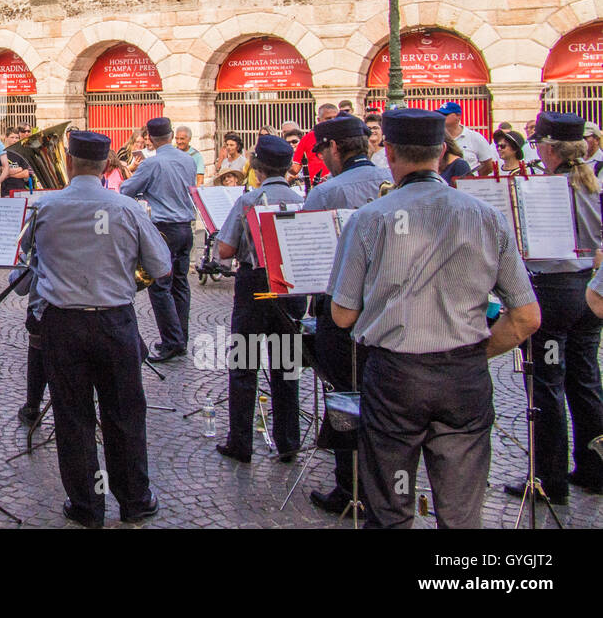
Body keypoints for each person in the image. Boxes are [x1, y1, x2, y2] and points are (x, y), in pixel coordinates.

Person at [330, 107, 541, 528]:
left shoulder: (370, 219)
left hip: (395, 378)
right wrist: (476, 352)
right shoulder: (487, 216)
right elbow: (526, 317)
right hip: (463, 374)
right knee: (461, 513)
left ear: (388, 152)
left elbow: (341, 315)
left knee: (392, 506)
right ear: (442, 151)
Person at [23, 130, 172, 527]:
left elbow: (24, 262)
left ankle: (87, 507)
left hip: (63, 323)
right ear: (108, 166)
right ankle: (135, 502)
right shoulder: (126, 208)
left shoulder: (44, 207)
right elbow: (161, 268)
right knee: (124, 413)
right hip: (114, 321)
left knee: (73, 418)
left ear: (68, 163)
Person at [502, 112, 603, 504]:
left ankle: (549, 478)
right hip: (586, 291)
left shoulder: (542, 187)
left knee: (545, 383)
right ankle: (594, 469)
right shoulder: (592, 183)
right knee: (585, 378)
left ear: (547, 148)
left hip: (553, 292)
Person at [300, 114, 391, 516]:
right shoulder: (390, 181)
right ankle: (386, 484)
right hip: (390, 310)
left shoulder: (326, 192)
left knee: (344, 394)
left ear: (334, 148)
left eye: (322, 150)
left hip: (341, 308)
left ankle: (348, 487)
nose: (322, 158)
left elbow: (304, 252)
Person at [215, 135, 306, 463]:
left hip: (255, 285)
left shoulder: (250, 200)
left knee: (244, 365)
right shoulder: (302, 200)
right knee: (285, 366)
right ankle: (288, 441)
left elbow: (225, 250)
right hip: (291, 286)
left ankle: (240, 442)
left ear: (256, 166)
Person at [121, 117, 197, 362]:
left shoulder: (152, 164)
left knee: (160, 285)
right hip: (186, 227)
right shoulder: (188, 159)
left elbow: (126, 190)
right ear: (172, 135)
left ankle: (172, 341)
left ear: (151, 139)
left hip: (164, 228)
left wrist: (146, 189)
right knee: (181, 283)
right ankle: (181, 337)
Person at [437, 101, 496, 176]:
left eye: (445, 114)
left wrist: (474, 179)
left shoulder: (474, 137)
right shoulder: (436, 137)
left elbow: (488, 165)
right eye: (439, 114)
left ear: (458, 116)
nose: (441, 117)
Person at [290, 104, 338, 186]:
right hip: (315, 186)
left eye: (335, 118)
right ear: (319, 120)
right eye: (328, 118)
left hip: (338, 184)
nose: (332, 121)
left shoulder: (344, 137)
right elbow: (295, 169)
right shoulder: (307, 138)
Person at [0, 126, 33, 196]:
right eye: (12, 137)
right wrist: (19, 169)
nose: (15, 140)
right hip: (6, 191)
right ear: (6, 138)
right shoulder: (2, 153)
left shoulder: (21, 153)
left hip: (20, 191)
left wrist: (8, 174)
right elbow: (2, 170)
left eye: (17, 138)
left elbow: (26, 173)